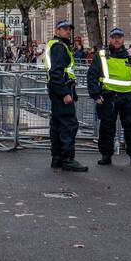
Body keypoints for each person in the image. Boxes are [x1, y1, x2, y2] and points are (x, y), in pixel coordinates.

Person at [87, 27, 131, 167]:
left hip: (128, 97)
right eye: (114, 37)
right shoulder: (102, 55)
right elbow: (92, 75)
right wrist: (95, 94)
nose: (117, 40)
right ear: (110, 39)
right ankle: (106, 155)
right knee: (107, 128)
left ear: (123, 39)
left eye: (119, 37)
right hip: (109, 97)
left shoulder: (130, 55)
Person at [44, 20, 85, 171]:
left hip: (56, 90)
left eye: (69, 28)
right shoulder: (59, 47)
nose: (68, 31)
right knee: (69, 124)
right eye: (64, 28)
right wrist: (65, 93)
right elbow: (56, 72)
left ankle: (57, 157)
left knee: (56, 124)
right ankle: (68, 158)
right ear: (57, 30)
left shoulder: (55, 45)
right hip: (62, 91)